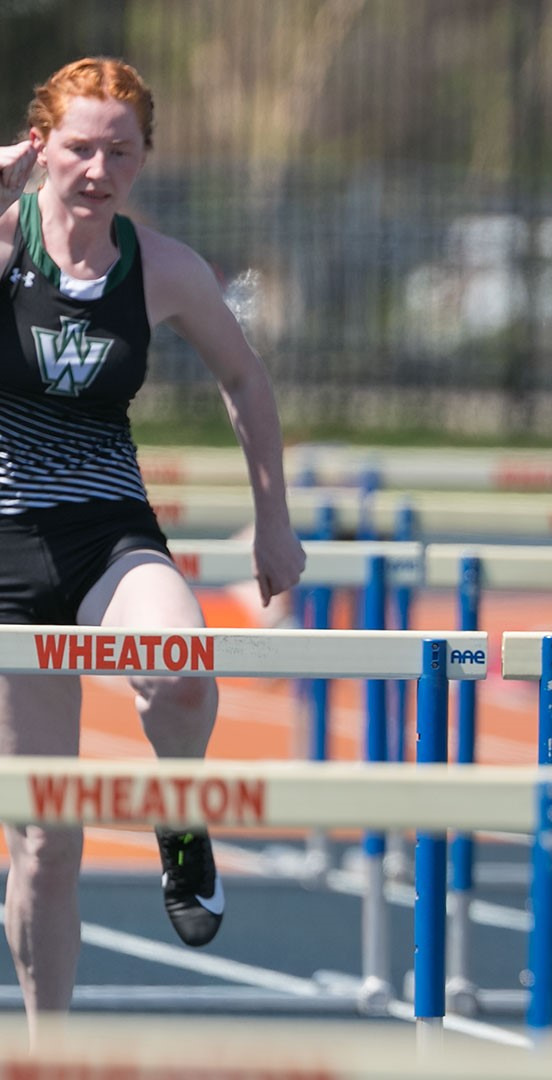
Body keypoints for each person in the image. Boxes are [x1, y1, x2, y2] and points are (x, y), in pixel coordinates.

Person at [0, 58, 305, 1029]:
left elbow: (245, 379)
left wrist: (273, 520)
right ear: (39, 146)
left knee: (180, 675)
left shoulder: (164, 267)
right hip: (5, 551)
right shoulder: (5, 241)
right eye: (79, 148)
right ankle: (48, 1052)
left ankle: (180, 814)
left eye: (120, 152)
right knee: (46, 841)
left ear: (143, 159)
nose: (98, 171)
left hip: (109, 532)